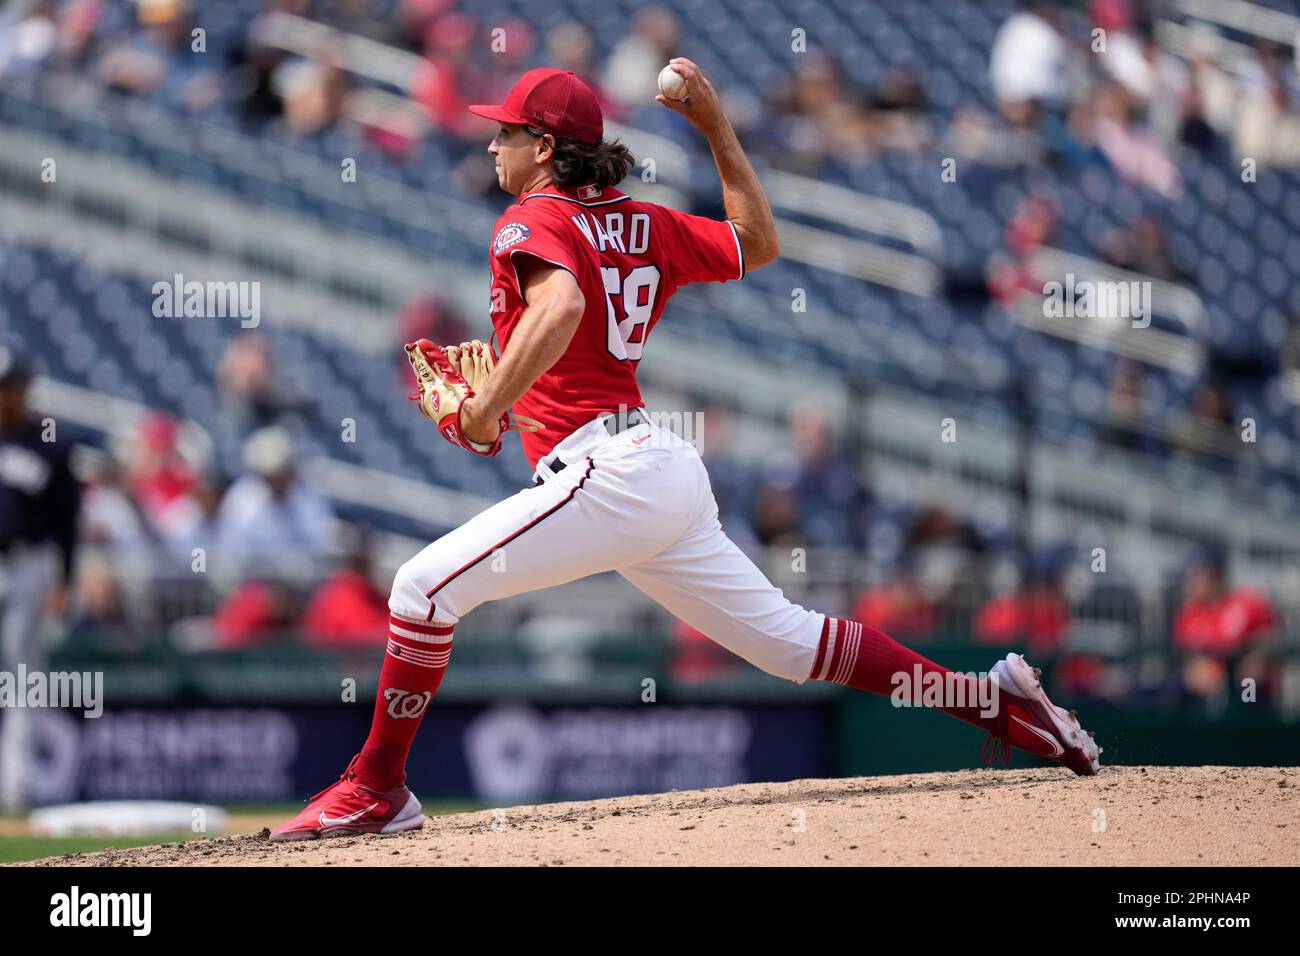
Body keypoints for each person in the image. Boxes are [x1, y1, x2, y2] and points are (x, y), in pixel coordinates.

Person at [272, 64, 1100, 841]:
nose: (492, 144)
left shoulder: (530, 218)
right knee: (790, 645)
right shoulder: (646, 222)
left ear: (548, 150)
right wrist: (717, 128)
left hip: (612, 474)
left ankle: (377, 790)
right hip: (649, 466)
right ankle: (998, 705)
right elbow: (755, 241)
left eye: (508, 133)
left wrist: (488, 408)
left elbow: (559, 308)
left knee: (420, 589)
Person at [0, 348, 81, 811]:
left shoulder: (50, 442)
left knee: (23, 680)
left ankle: (17, 790)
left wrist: (63, 580)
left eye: (11, 386)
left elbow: (67, 521)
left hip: (29, 564)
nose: (6, 396)